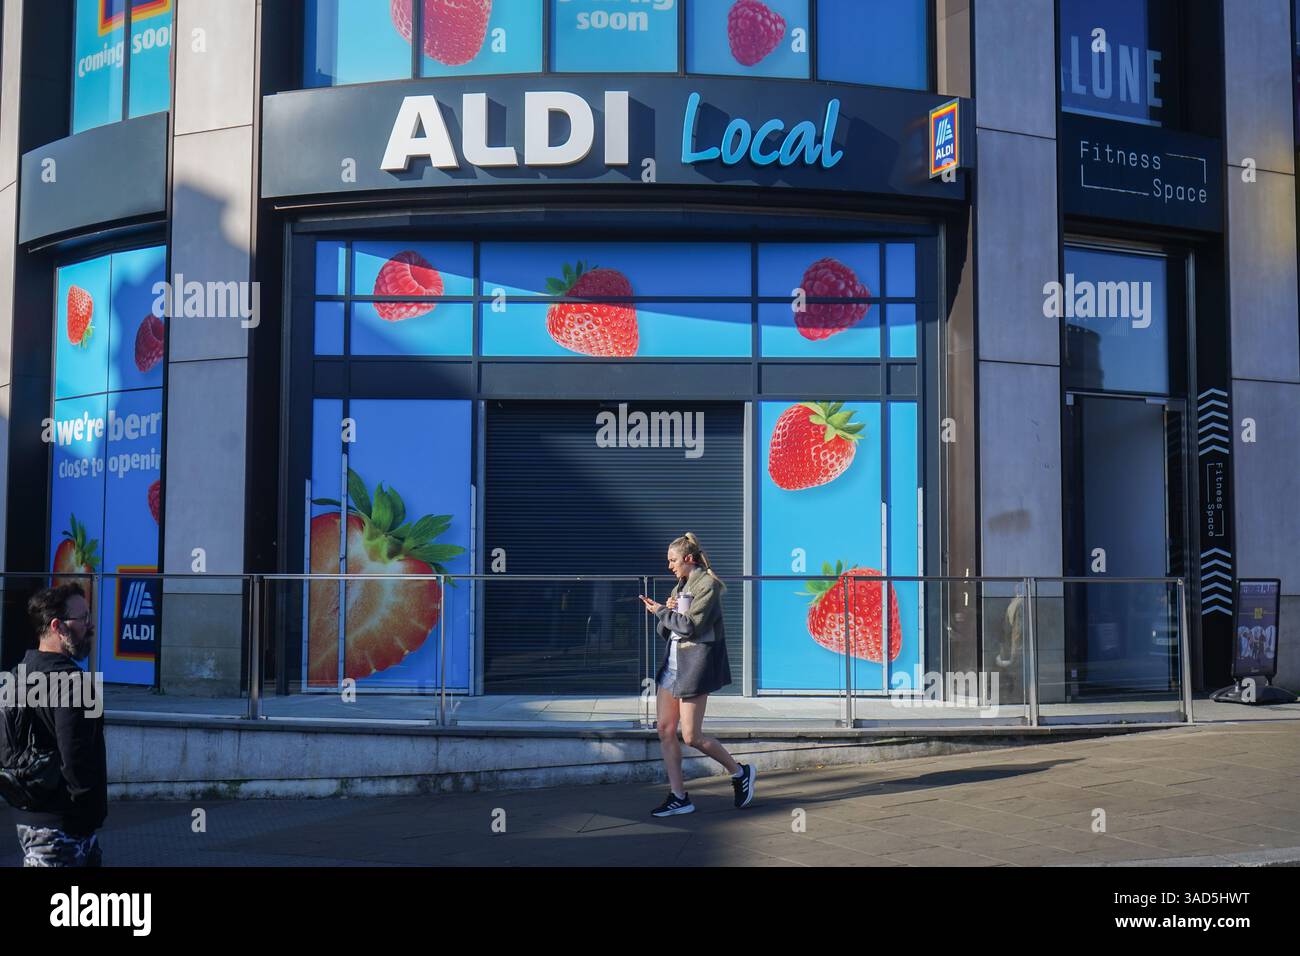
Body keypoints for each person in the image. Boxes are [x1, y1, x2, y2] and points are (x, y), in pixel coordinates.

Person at [639, 533, 755, 816]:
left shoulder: (707, 585)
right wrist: (665, 611)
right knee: (665, 730)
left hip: (694, 665)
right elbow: (672, 629)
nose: (669, 566)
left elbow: (691, 627)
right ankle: (679, 797)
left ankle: (740, 773)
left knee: (691, 736)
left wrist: (661, 612)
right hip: (673, 665)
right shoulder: (683, 585)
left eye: (672, 560)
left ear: (688, 559)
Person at [11, 583, 106, 866]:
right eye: (83, 618)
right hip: (66, 828)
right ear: (58, 627)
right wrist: (89, 813)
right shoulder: (76, 684)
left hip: (28, 821)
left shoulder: (16, 675)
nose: (90, 626)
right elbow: (77, 760)